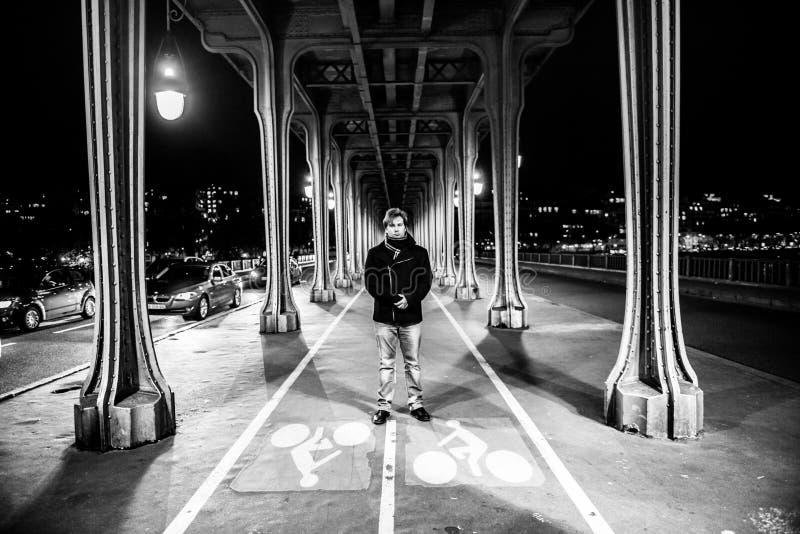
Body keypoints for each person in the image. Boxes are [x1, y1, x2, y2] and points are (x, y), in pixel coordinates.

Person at [364, 208, 433, 425]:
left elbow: (425, 281)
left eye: (399, 224)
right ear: (386, 227)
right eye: (391, 225)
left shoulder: (420, 253)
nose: (396, 228)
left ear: (405, 226)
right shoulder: (375, 253)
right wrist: (394, 298)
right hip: (385, 316)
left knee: (412, 364)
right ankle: (384, 407)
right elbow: (371, 283)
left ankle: (416, 404)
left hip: (411, 316)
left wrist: (409, 299)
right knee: (386, 364)